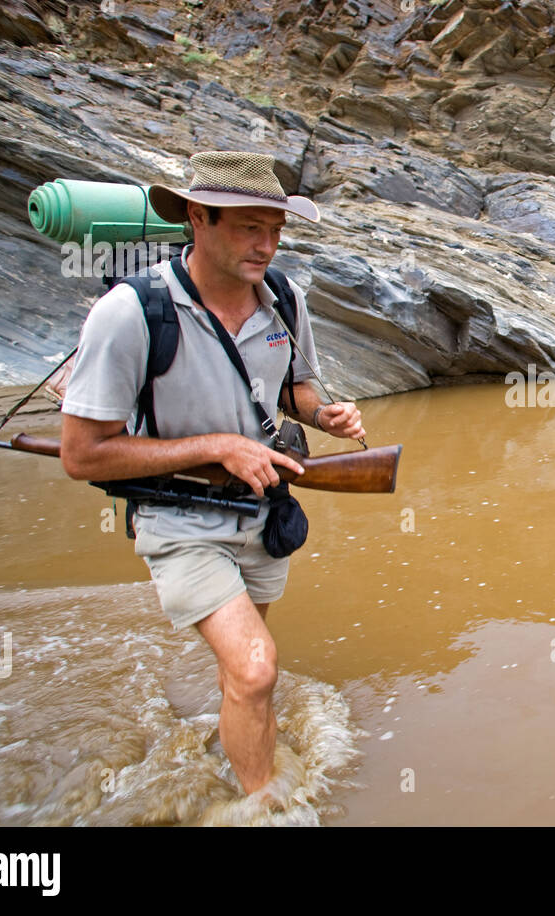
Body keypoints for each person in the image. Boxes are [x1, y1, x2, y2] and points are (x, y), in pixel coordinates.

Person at [59, 151, 365, 800]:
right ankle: (268, 808)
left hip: (262, 514)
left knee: (247, 666)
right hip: (178, 518)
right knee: (257, 670)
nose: (267, 245)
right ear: (198, 217)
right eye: (250, 227)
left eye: (276, 230)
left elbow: (294, 387)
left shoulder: (285, 296)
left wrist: (323, 413)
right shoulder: (130, 313)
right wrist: (221, 446)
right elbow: (82, 454)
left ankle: (237, 749)